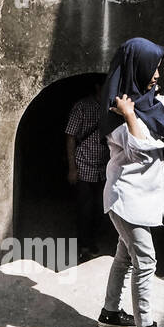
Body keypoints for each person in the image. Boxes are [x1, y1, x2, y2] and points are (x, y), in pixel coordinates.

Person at [95, 37, 164, 327]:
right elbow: (141, 152)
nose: (157, 74)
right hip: (126, 199)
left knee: (125, 257)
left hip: (140, 197)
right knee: (146, 260)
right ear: (137, 67)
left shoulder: (147, 101)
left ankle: (110, 313)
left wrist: (152, 109)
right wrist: (131, 115)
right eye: (153, 67)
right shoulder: (118, 111)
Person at [64, 76, 111, 263]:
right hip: (84, 166)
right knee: (85, 208)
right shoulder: (81, 107)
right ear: (98, 88)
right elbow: (70, 137)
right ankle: (84, 246)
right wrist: (72, 168)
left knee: (100, 208)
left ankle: (92, 242)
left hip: (104, 168)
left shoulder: (111, 108)